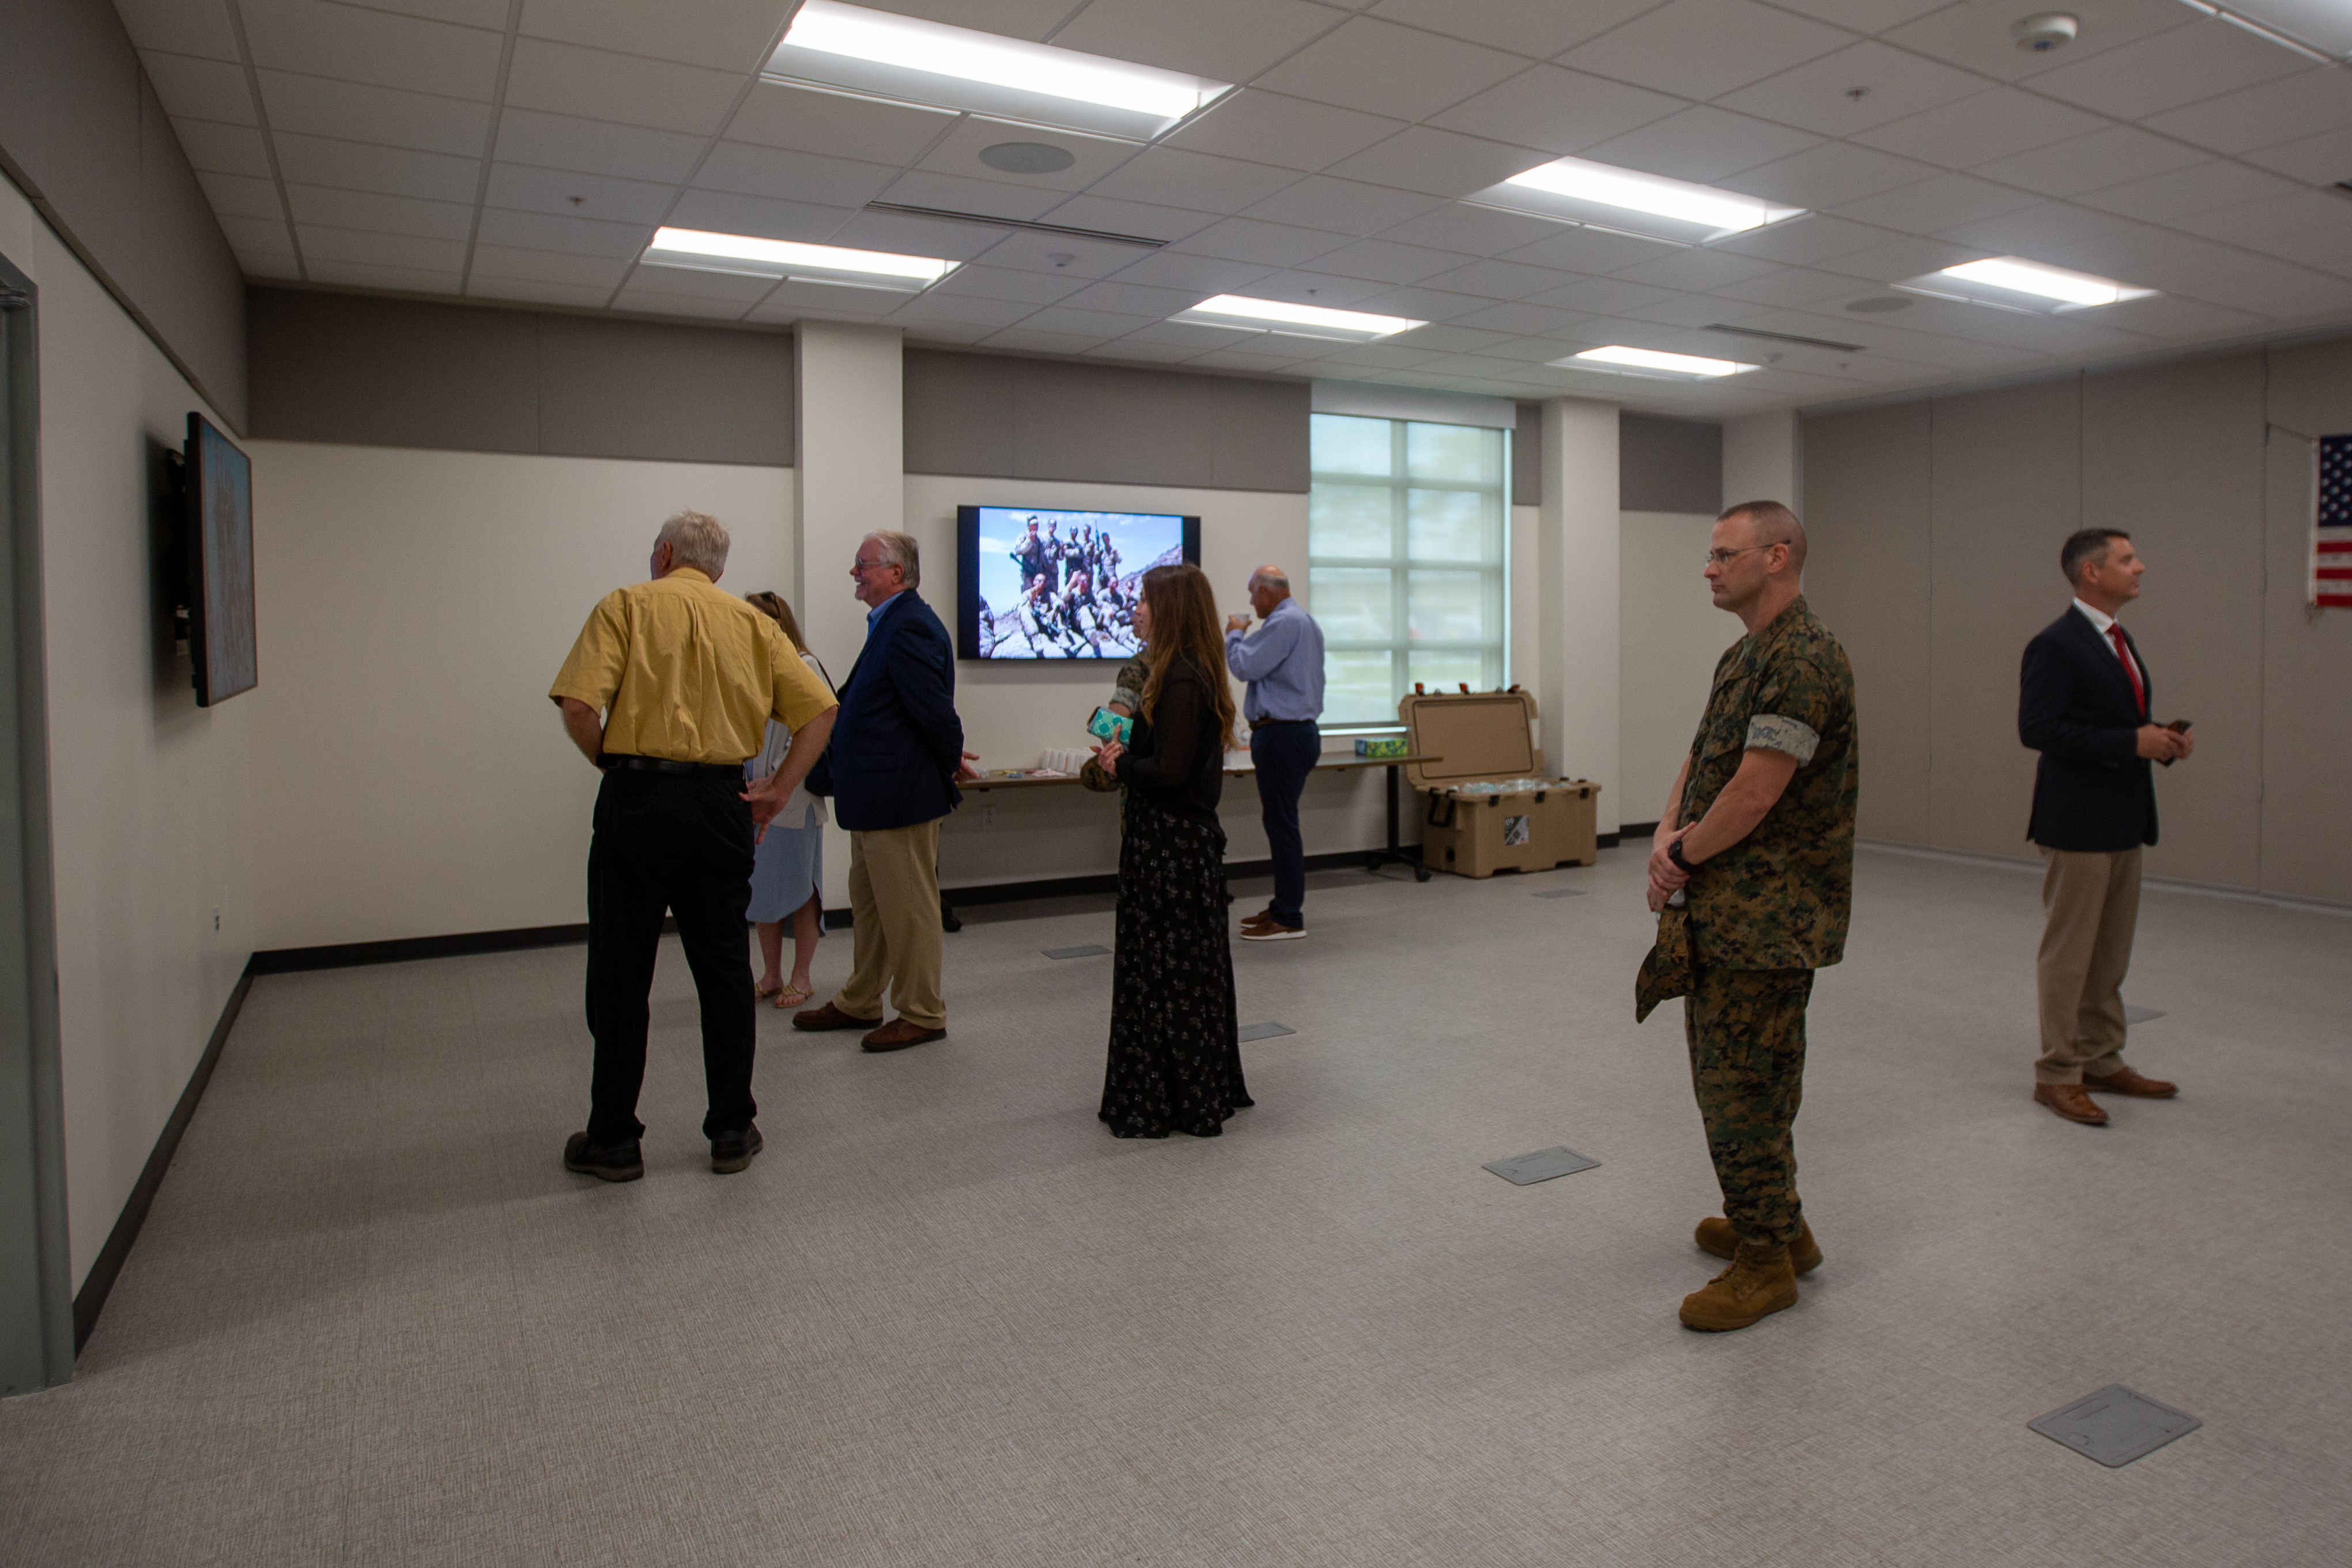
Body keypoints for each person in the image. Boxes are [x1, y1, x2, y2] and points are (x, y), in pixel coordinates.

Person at [549, 511, 837, 1181]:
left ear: (665, 553)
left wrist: (617, 767)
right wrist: (776, 789)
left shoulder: (624, 606)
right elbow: (822, 710)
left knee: (622, 971)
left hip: (638, 799)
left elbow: (578, 708)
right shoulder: (754, 624)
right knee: (724, 971)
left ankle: (615, 1137)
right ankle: (732, 1128)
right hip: (720, 805)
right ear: (718, 569)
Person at [1641, 501, 1856, 1332]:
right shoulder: (1747, 655)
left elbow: (1759, 787)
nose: (1708, 567)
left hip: (1769, 920)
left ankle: (1765, 1262)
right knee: (1731, 1076)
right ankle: (1776, 1219)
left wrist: (1684, 855)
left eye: (1723, 554)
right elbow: (1704, 757)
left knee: (1746, 1085)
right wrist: (1666, 833)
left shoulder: (1804, 657)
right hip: (1727, 909)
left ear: (1776, 558)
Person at [2018, 528, 2194, 1127]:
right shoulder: (2056, 645)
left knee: (2109, 955)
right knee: (2069, 957)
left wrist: (2159, 744)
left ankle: (2100, 1057)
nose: (2139, 566)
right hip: (2077, 824)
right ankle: (2057, 1073)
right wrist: (2130, 741)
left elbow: (2117, 725)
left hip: (2123, 819)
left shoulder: (2120, 639)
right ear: (2091, 572)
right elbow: (2037, 730)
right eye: (2126, 559)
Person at [793, 530, 975, 1052]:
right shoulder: (891, 624)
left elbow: (937, 713)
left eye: (863, 564)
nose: (855, 572)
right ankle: (860, 999)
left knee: (911, 910)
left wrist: (947, 764)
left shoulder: (910, 627)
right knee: (871, 907)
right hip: (874, 797)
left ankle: (922, 1012)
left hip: (900, 796)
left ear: (896, 573)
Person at [1092, 564, 1252, 1138]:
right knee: (1168, 974)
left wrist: (1121, 764)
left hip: (1172, 852)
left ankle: (1173, 1095)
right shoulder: (1173, 671)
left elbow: (1170, 768)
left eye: (1144, 601)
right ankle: (1180, 1086)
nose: (1135, 609)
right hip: (1164, 846)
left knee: (1169, 977)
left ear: (1171, 609)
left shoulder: (1183, 676)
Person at [1223, 566, 1325, 942]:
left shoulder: (1283, 624)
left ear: (1266, 592)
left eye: (1253, 594)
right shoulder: (1306, 622)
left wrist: (1234, 632)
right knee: (1282, 823)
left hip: (1283, 734)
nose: (1251, 602)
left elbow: (1244, 665)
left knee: (1282, 826)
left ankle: (1288, 916)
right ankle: (1283, 904)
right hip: (1295, 732)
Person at [743, 591, 832, 1011]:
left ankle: (802, 977)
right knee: (761, 889)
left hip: (795, 797)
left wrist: (778, 774)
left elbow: (813, 728)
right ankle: (772, 974)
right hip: (756, 794)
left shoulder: (804, 665)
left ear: (779, 624)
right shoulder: (749, 671)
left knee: (801, 889)